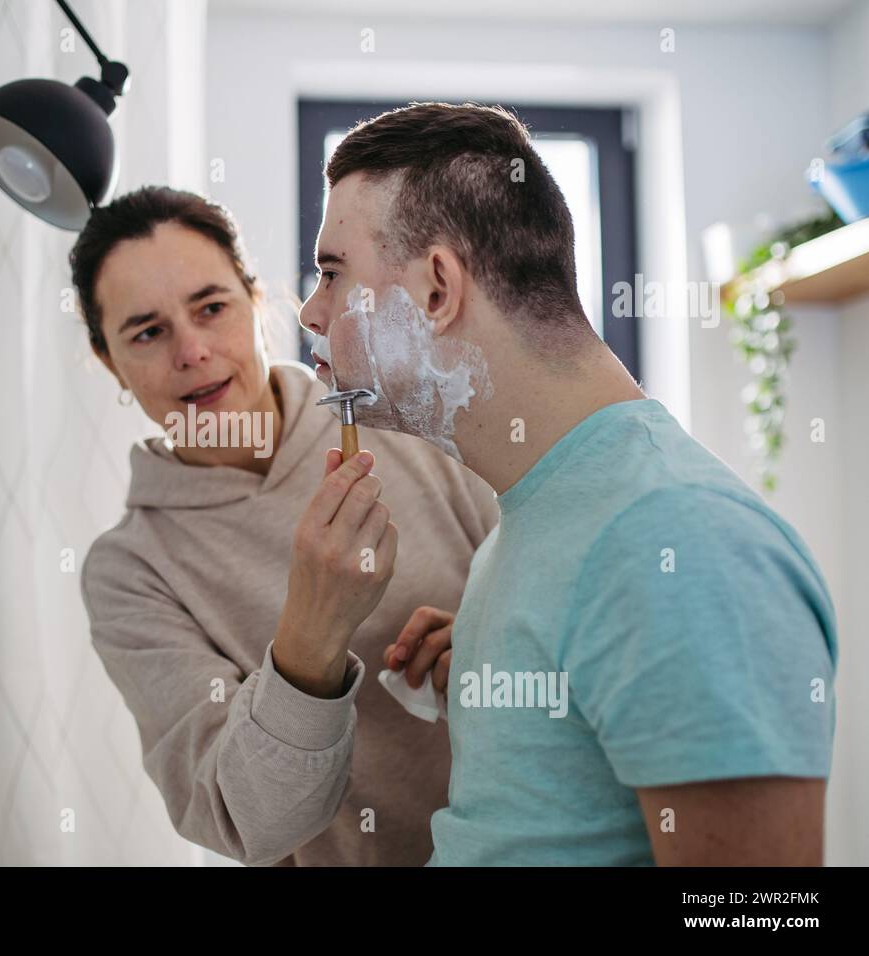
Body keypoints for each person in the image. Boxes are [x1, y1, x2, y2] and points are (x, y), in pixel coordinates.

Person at [300, 101, 838, 865]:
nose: (312, 312)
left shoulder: (677, 544)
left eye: (331, 273)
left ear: (437, 290)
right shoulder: (536, 520)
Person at [73, 186, 498, 865]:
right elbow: (248, 823)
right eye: (148, 332)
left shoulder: (404, 415)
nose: (192, 351)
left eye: (211, 308)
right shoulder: (131, 571)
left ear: (257, 302)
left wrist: (490, 643)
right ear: (108, 361)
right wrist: (312, 631)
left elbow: (576, 617)